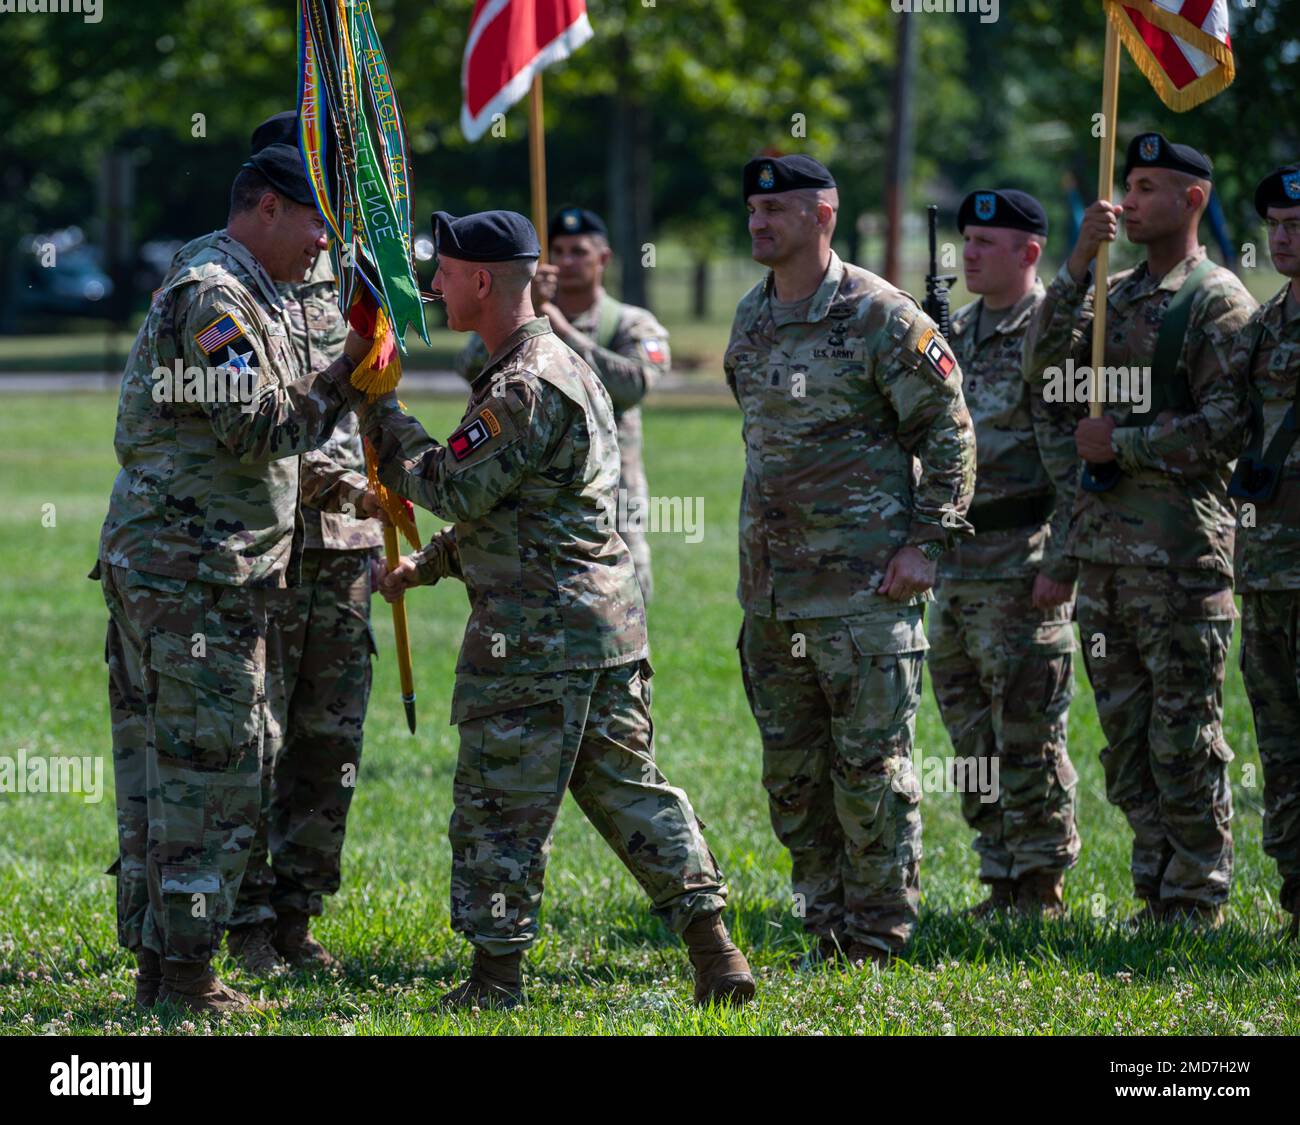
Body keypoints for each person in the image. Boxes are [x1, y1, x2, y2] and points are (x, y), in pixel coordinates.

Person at [362, 209, 754, 1009]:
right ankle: (714, 950)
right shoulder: (554, 365)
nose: (433, 285)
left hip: (535, 643)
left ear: (482, 280)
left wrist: (380, 410)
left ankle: (495, 981)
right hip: (599, 628)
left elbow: (452, 485)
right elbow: (521, 512)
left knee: (500, 809)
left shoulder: (524, 382)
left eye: (444, 272)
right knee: (630, 791)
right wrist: (429, 568)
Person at [96, 143, 379, 1013]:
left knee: (173, 769)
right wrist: (350, 370)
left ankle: (163, 966)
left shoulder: (245, 286)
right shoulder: (214, 296)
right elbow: (254, 423)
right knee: (210, 770)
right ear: (264, 207)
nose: (322, 248)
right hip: (193, 575)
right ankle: (188, 976)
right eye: (313, 225)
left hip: (193, 568)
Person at [725, 154, 976, 965]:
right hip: (773, 597)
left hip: (867, 592)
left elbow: (949, 431)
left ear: (823, 214)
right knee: (793, 783)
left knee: (869, 776)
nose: (760, 221)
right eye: (755, 208)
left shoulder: (881, 316)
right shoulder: (749, 320)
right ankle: (823, 925)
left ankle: (878, 934)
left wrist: (926, 543)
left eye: (779, 208)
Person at [162, 112, 384, 975]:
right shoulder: (227, 280)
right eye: (317, 182)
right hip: (261, 531)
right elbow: (250, 414)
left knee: (329, 738)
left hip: (341, 530)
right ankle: (243, 917)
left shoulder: (349, 268)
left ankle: (296, 910)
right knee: (254, 731)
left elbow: (369, 388)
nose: (328, 210)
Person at [1024, 132, 1257, 926]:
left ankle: (1196, 895)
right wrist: (1076, 266)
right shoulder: (1114, 294)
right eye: (1128, 185)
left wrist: (1120, 443)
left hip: (1182, 559)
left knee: (1183, 736)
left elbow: (1227, 424)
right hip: (1108, 558)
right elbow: (1042, 367)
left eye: (1149, 187)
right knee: (1125, 743)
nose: (1129, 200)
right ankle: (1154, 887)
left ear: (1193, 200)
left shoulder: (1218, 300)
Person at [930, 189, 1082, 918]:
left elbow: (1074, 467)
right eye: (967, 239)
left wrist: (1064, 560)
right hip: (957, 564)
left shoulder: (1052, 336)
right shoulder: (955, 331)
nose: (970, 253)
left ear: (1029, 252)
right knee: (970, 735)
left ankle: (1040, 881)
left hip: (1024, 557)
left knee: (1027, 729)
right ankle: (998, 873)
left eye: (987, 242)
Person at [455, 205, 668, 599]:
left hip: (612, 498)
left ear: (603, 258)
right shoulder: (525, 323)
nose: (567, 261)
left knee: (624, 608)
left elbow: (634, 385)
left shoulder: (629, 323)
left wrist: (562, 329)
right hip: (537, 498)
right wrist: (522, 311)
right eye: (559, 252)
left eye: (579, 252)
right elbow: (470, 366)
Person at [1230, 163, 1300, 940]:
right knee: (1281, 748)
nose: (1283, 238)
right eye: (1277, 226)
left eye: (1297, 227)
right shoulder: (1262, 326)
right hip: (1269, 572)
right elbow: (1223, 426)